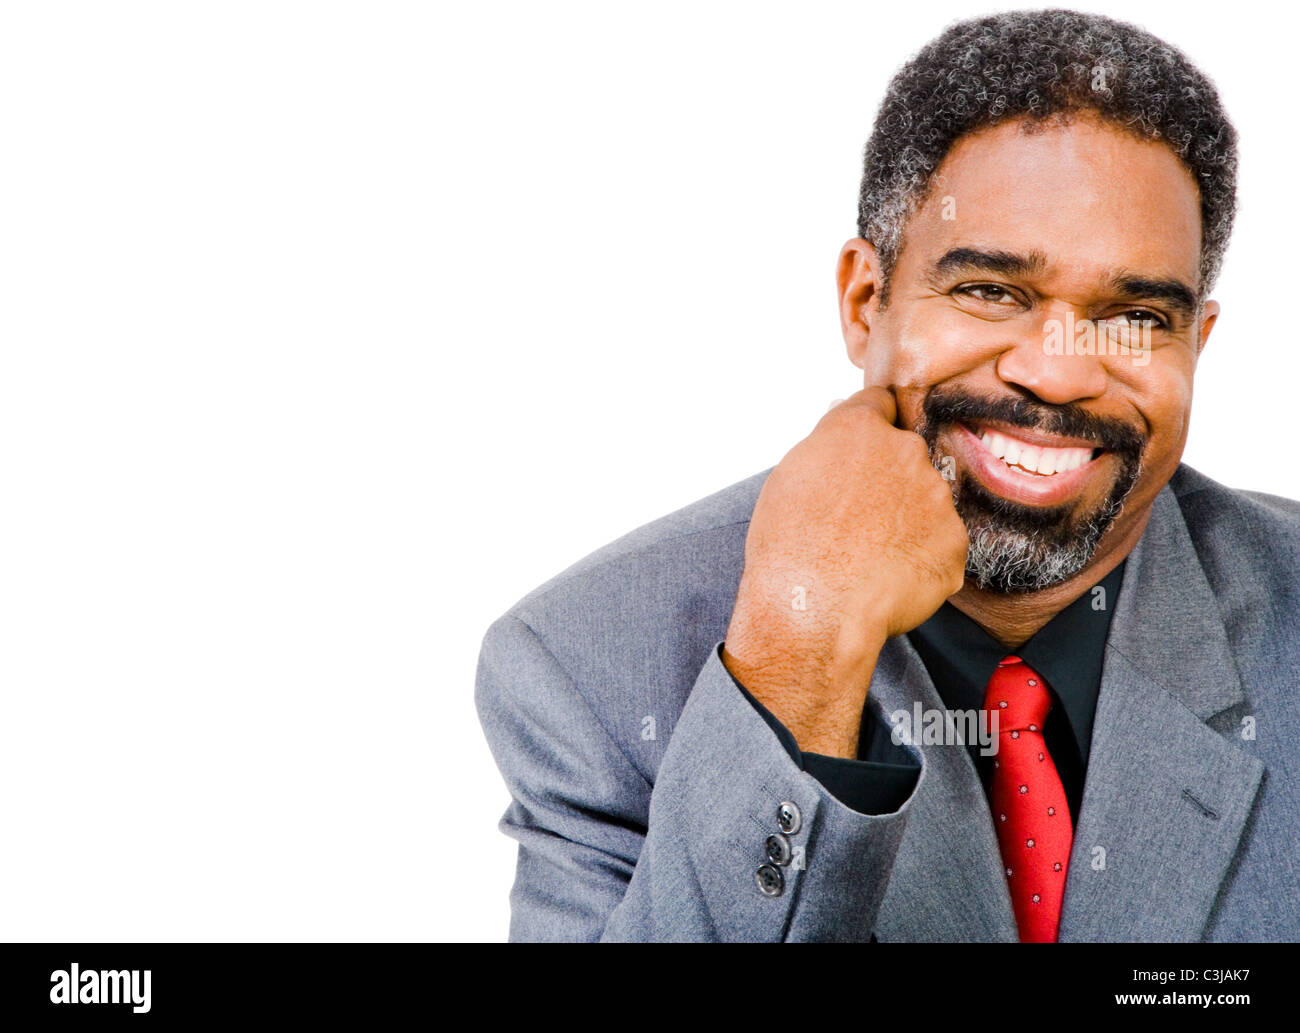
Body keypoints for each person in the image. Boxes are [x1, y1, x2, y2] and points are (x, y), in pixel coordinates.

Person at [475, 8, 1300, 942]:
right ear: (867, 303)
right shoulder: (590, 666)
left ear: (1198, 340)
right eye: (993, 291)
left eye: (1136, 314)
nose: (1062, 371)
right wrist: (799, 654)